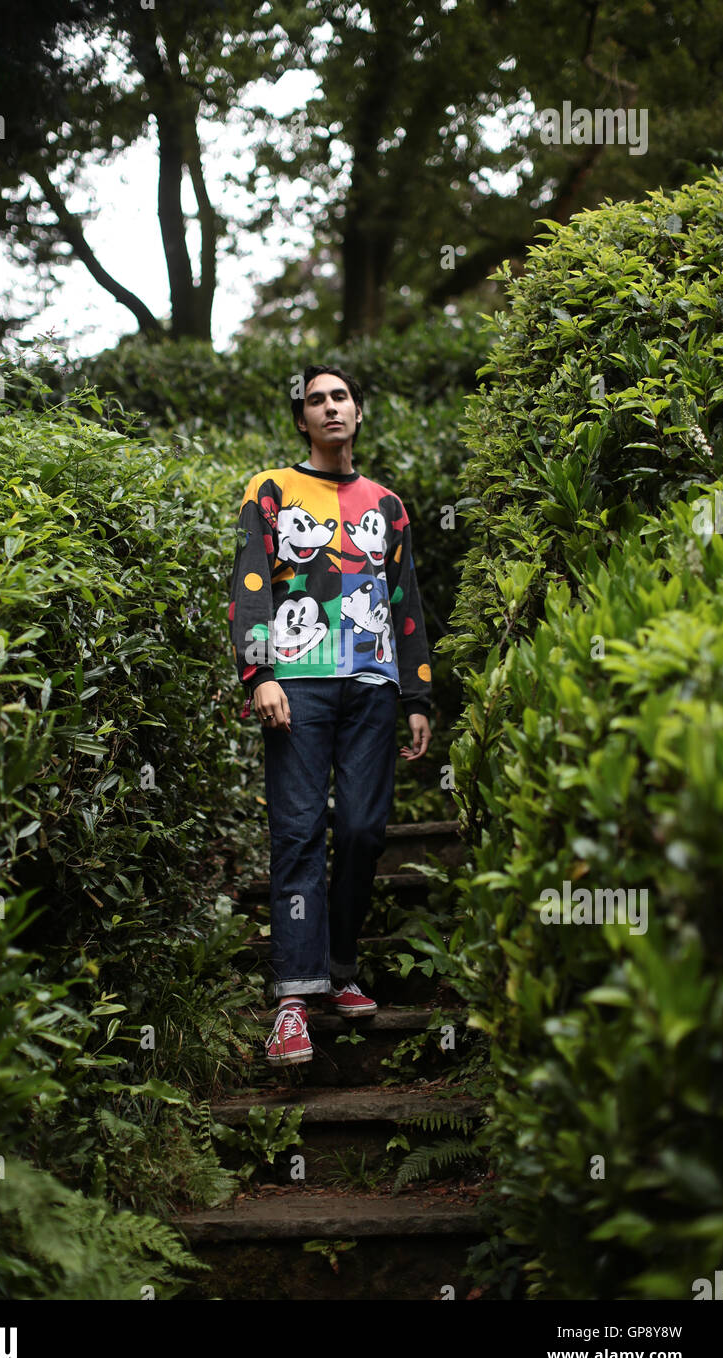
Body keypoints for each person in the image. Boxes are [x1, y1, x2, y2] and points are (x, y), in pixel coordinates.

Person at [227, 365, 432, 1065]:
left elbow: (405, 600)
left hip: (374, 684)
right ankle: (292, 1000)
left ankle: (339, 967)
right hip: (299, 683)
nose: (330, 407)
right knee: (297, 830)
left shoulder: (388, 503)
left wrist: (417, 693)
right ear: (304, 420)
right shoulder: (272, 490)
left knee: (366, 830)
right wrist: (260, 673)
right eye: (316, 400)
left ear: (358, 412)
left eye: (340, 396)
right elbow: (251, 584)